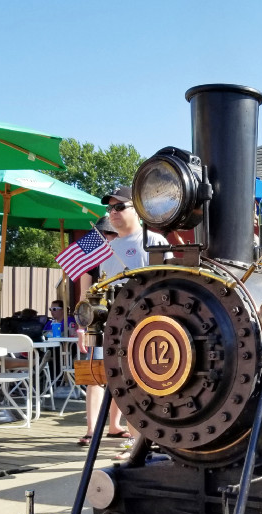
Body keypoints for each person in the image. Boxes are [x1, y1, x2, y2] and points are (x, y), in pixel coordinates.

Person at [77, 188, 168, 458]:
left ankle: (156, 442)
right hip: (115, 329)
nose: (112, 213)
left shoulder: (155, 240)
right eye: (109, 209)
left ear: (137, 209)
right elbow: (91, 294)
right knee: (126, 387)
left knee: (153, 385)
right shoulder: (105, 250)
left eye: (119, 207)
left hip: (151, 327)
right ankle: (137, 445)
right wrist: (83, 326)